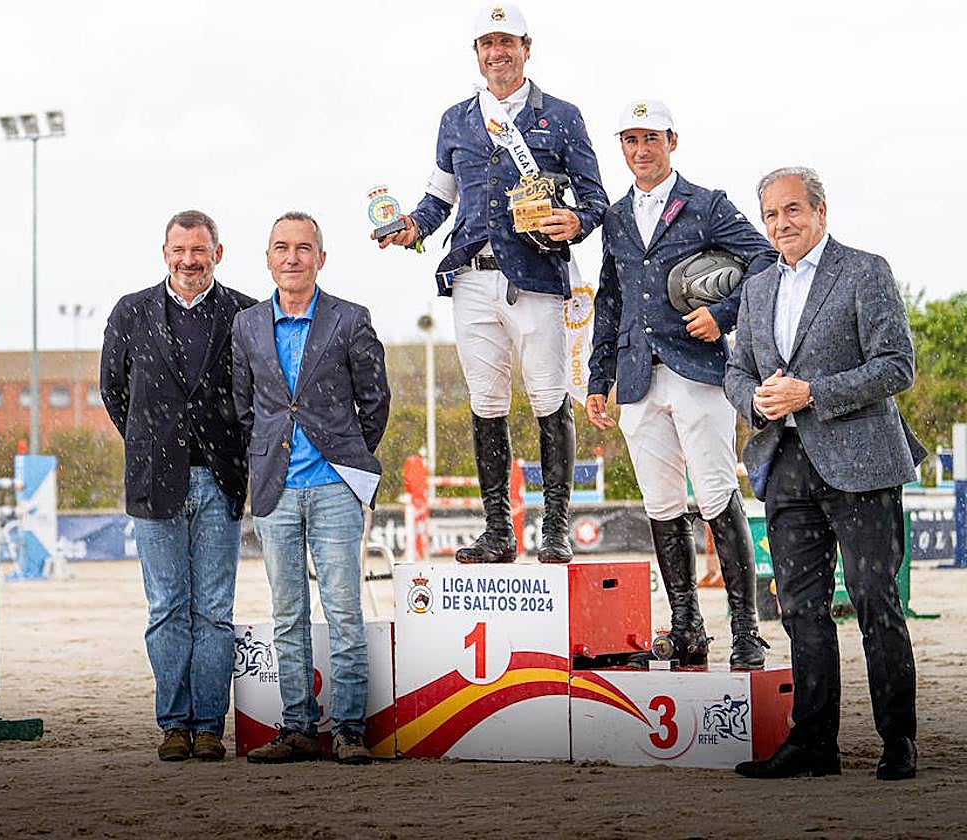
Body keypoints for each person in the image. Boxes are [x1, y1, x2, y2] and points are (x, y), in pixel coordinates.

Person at [377, 2, 608, 564]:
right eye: (488, 44)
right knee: (486, 402)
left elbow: (595, 198)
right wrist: (412, 227)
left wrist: (576, 221)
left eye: (508, 43)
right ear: (477, 53)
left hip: (536, 276)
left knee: (549, 397)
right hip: (472, 278)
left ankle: (555, 528)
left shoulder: (563, 116)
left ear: (527, 49)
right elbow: (439, 199)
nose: (497, 53)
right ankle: (499, 530)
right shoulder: (456, 119)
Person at [725, 167, 923, 780]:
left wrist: (812, 393)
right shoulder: (757, 287)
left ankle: (898, 740)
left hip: (862, 465)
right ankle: (814, 744)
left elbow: (897, 365)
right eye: (771, 214)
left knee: (874, 600)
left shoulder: (865, 271)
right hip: (785, 465)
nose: (781, 224)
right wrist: (755, 398)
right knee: (800, 610)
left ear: (820, 211)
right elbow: (737, 371)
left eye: (792, 210)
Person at [585, 100, 776, 669]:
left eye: (651, 138)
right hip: (637, 377)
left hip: (698, 373)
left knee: (716, 494)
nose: (641, 150)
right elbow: (611, 299)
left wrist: (724, 313)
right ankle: (688, 628)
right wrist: (599, 377)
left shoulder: (707, 204)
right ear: (622, 147)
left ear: (672, 140)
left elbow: (765, 259)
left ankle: (745, 630)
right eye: (630, 140)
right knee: (661, 504)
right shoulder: (615, 217)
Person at [233, 212, 390, 765]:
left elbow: (375, 401)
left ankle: (349, 730)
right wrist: (264, 457)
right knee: (288, 616)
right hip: (274, 490)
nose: (292, 257)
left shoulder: (350, 318)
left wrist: (346, 452)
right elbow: (245, 407)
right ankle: (297, 728)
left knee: (344, 613)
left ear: (321, 258)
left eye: (303, 248)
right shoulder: (247, 325)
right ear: (268, 258)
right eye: (282, 247)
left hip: (335, 486)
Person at [99, 210, 256, 762]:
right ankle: (174, 725)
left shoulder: (245, 313)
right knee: (166, 607)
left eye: (199, 250)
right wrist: (154, 441)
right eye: (179, 250)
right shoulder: (131, 312)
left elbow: (256, 394)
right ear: (165, 253)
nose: (189, 261)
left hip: (221, 479)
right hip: (154, 481)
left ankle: (209, 726)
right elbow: (113, 392)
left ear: (218, 253)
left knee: (214, 610)